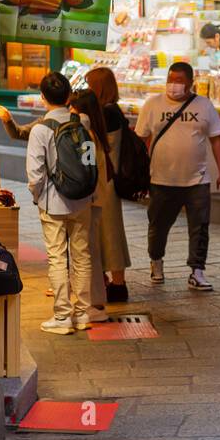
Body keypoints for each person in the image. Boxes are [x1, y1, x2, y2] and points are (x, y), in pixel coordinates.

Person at [136, 61, 220, 292]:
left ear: (190, 83)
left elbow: (216, 139)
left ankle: (197, 271)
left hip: (197, 179)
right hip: (161, 179)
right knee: (158, 226)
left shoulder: (204, 105)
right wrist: (140, 173)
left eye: (179, 81)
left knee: (200, 226)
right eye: (171, 79)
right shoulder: (152, 104)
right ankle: (156, 261)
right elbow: (141, 140)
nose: (173, 85)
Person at [26, 71, 94, 334]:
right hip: (83, 199)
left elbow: (35, 174)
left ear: (42, 98)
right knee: (82, 256)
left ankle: (63, 317)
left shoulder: (40, 129)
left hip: (53, 202)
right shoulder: (83, 121)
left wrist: (38, 196)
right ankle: (83, 314)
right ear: (68, 96)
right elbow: (89, 159)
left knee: (57, 258)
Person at [85, 66, 132, 302]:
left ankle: (118, 284)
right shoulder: (111, 111)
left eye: (88, 83)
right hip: (105, 180)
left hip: (105, 180)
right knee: (104, 231)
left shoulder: (107, 113)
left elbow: (95, 149)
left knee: (109, 232)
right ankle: (109, 281)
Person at [70, 89, 115, 324]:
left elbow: (86, 166)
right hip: (94, 198)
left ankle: (94, 303)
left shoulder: (87, 133)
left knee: (89, 253)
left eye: (73, 109)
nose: (69, 113)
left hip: (90, 199)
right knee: (88, 251)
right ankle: (90, 301)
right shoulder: (94, 131)